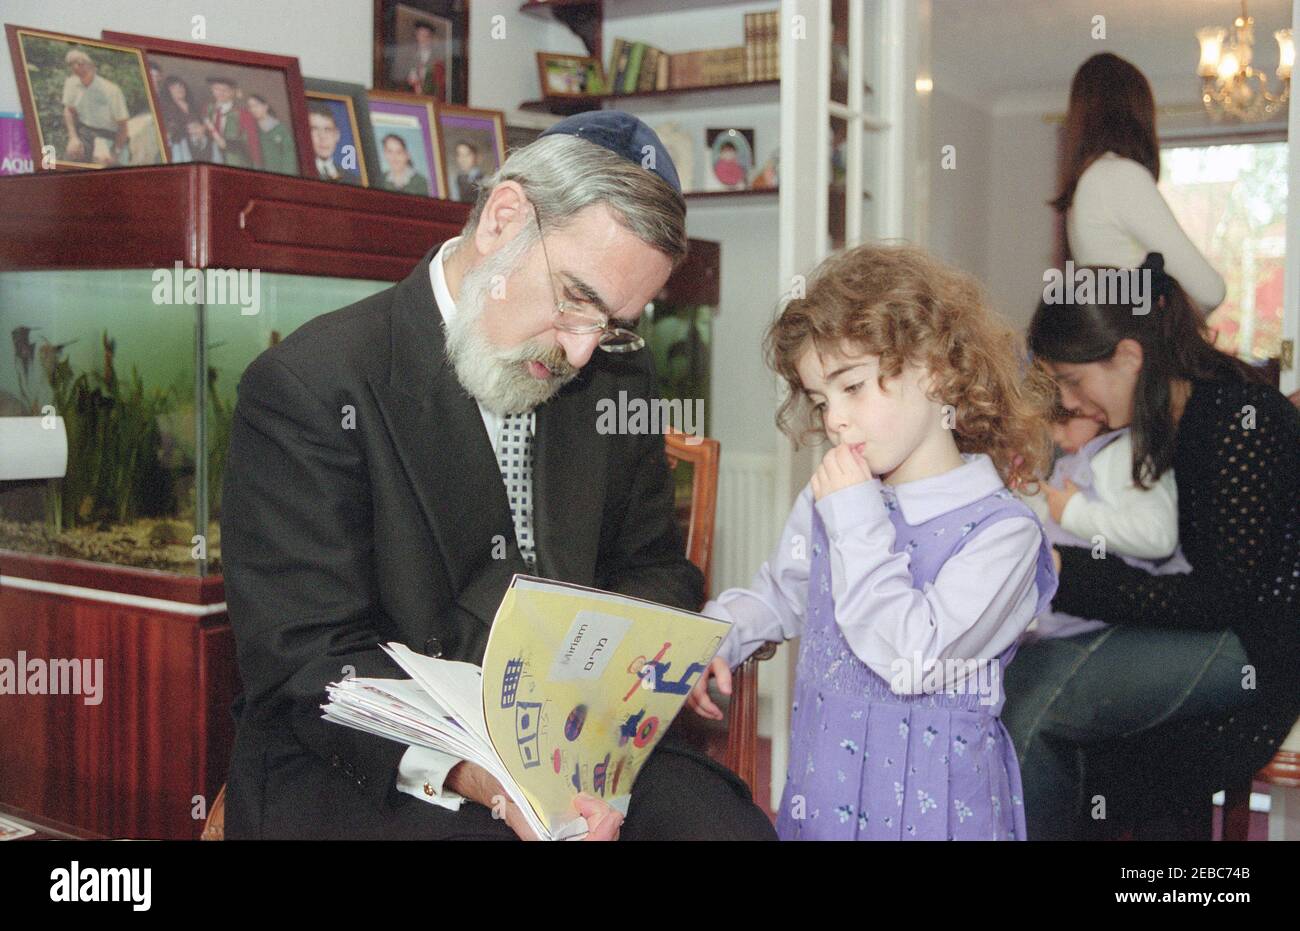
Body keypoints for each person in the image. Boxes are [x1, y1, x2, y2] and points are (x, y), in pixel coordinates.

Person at [220, 110, 777, 841]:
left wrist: (601, 718)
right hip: (369, 758)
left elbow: (654, 569)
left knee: (725, 832)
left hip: (579, 739)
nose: (582, 354)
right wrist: (479, 772)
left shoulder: (614, 377)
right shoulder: (314, 386)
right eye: (577, 300)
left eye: (612, 324)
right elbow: (309, 661)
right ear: (504, 218)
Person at [687, 244, 1059, 840]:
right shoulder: (837, 498)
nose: (833, 419)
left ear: (937, 370)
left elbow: (912, 658)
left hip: (939, 814)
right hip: (827, 791)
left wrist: (856, 519)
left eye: (852, 387)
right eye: (820, 399)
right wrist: (710, 639)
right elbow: (780, 595)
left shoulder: (1003, 535)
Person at [1002, 253, 1300, 839]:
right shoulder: (1166, 417)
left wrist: (1067, 574)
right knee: (1023, 677)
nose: (1071, 401)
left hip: (1261, 644)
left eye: (1074, 380)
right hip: (1211, 625)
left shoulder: (1235, 417)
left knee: (1029, 710)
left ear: (1129, 357)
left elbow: (1220, 599)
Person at [1052, 53, 1226, 315]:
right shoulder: (1117, 176)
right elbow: (1210, 290)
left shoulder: (1088, 182)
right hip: (1141, 344)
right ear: (1138, 114)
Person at [1016, 394, 1188, 643]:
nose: (1056, 436)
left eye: (1064, 423)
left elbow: (1158, 536)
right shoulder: (1091, 456)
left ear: (1096, 410)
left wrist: (1074, 511)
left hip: (1082, 603)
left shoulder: (1125, 452)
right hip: (1058, 603)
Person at [61, 48, 129, 166]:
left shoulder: (111, 90)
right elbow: (69, 110)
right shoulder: (71, 83)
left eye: (81, 63)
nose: (77, 67)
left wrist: (115, 152)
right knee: (69, 162)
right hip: (85, 132)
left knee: (104, 166)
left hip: (109, 134)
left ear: (92, 66)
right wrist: (73, 138)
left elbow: (123, 126)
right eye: (73, 64)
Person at [205, 76, 261, 169]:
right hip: (211, 161)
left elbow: (252, 143)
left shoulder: (243, 114)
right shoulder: (207, 109)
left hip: (235, 163)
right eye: (217, 89)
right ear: (212, 89)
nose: (220, 93)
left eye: (225, 90)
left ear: (233, 92)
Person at [391, 19, 447, 100]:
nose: (423, 39)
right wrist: (408, 80)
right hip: (408, 99)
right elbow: (397, 79)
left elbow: (440, 87)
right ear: (416, 35)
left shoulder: (438, 60)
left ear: (431, 38)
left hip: (428, 100)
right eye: (420, 35)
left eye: (426, 36)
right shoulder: (406, 56)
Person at [246, 94, 296, 176]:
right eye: (250, 107)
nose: (253, 109)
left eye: (256, 105)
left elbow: (289, 154)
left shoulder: (280, 129)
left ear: (265, 106)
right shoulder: (252, 130)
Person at [308, 104, 359, 184]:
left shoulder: (351, 179)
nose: (322, 137)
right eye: (314, 129)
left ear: (337, 135)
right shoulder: (299, 172)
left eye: (327, 130)